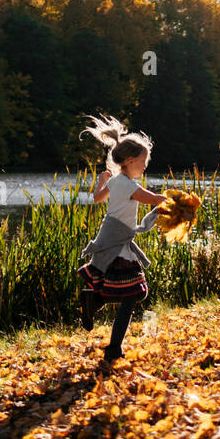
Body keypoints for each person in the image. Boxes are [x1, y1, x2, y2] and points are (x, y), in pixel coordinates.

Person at [77, 113, 166, 364]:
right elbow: (151, 197)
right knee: (134, 293)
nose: (145, 167)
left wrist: (101, 181)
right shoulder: (127, 185)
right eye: (142, 162)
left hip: (113, 242)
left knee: (134, 293)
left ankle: (95, 299)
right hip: (118, 247)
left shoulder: (117, 181)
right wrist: (173, 200)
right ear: (129, 160)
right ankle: (114, 348)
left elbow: (97, 198)